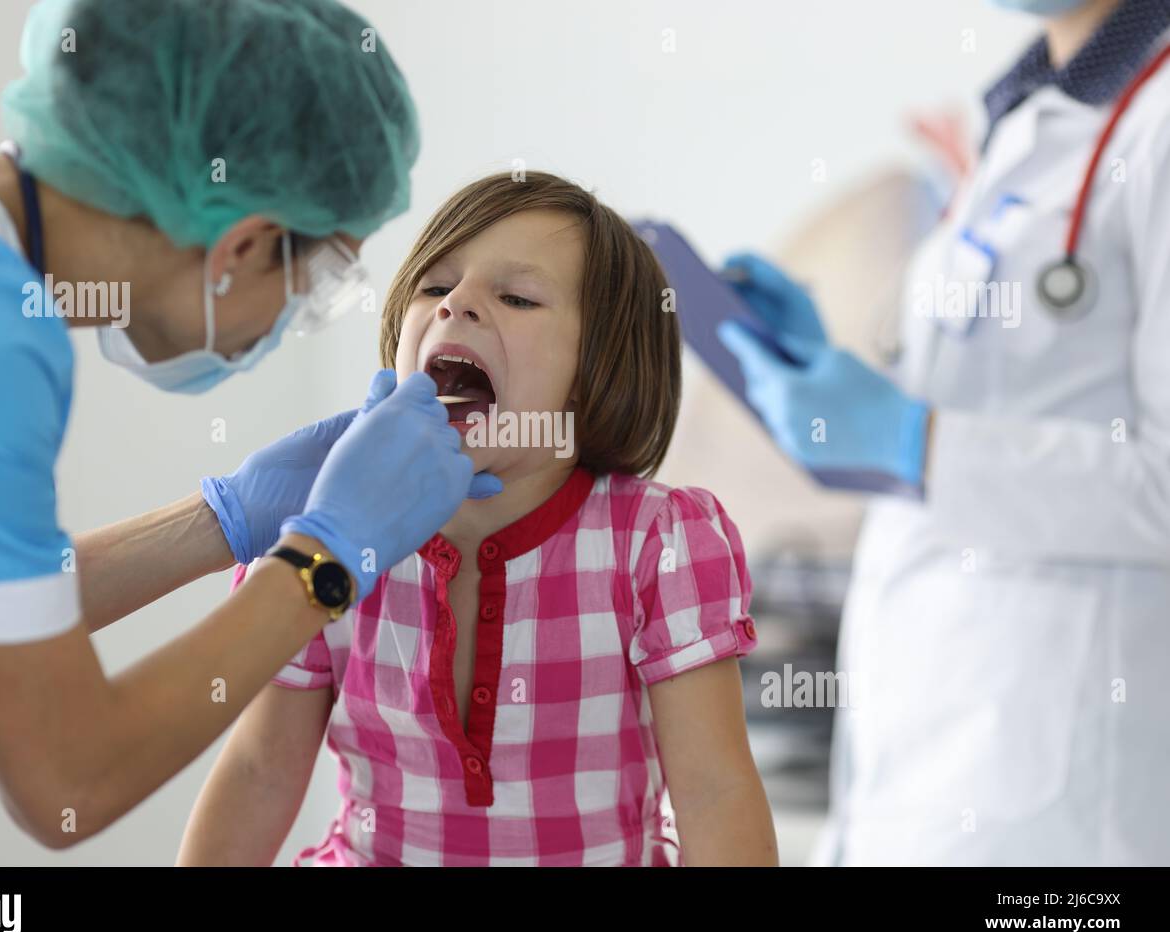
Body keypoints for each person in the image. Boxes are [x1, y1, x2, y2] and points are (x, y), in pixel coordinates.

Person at [0, 0, 501, 848]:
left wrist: (224, 519)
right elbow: (70, 777)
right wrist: (323, 560)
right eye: (314, 286)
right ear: (243, 245)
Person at [176, 173, 778, 866]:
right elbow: (260, 771)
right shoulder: (324, 539)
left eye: (517, 296)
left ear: (602, 366)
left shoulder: (654, 544)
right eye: (434, 288)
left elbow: (714, 792)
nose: (456, 304)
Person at [718, 0, 1170, 864]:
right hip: (930, 770)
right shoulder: (1033, 114)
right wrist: (839, 375)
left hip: (1068, 814)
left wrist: (913, 444)